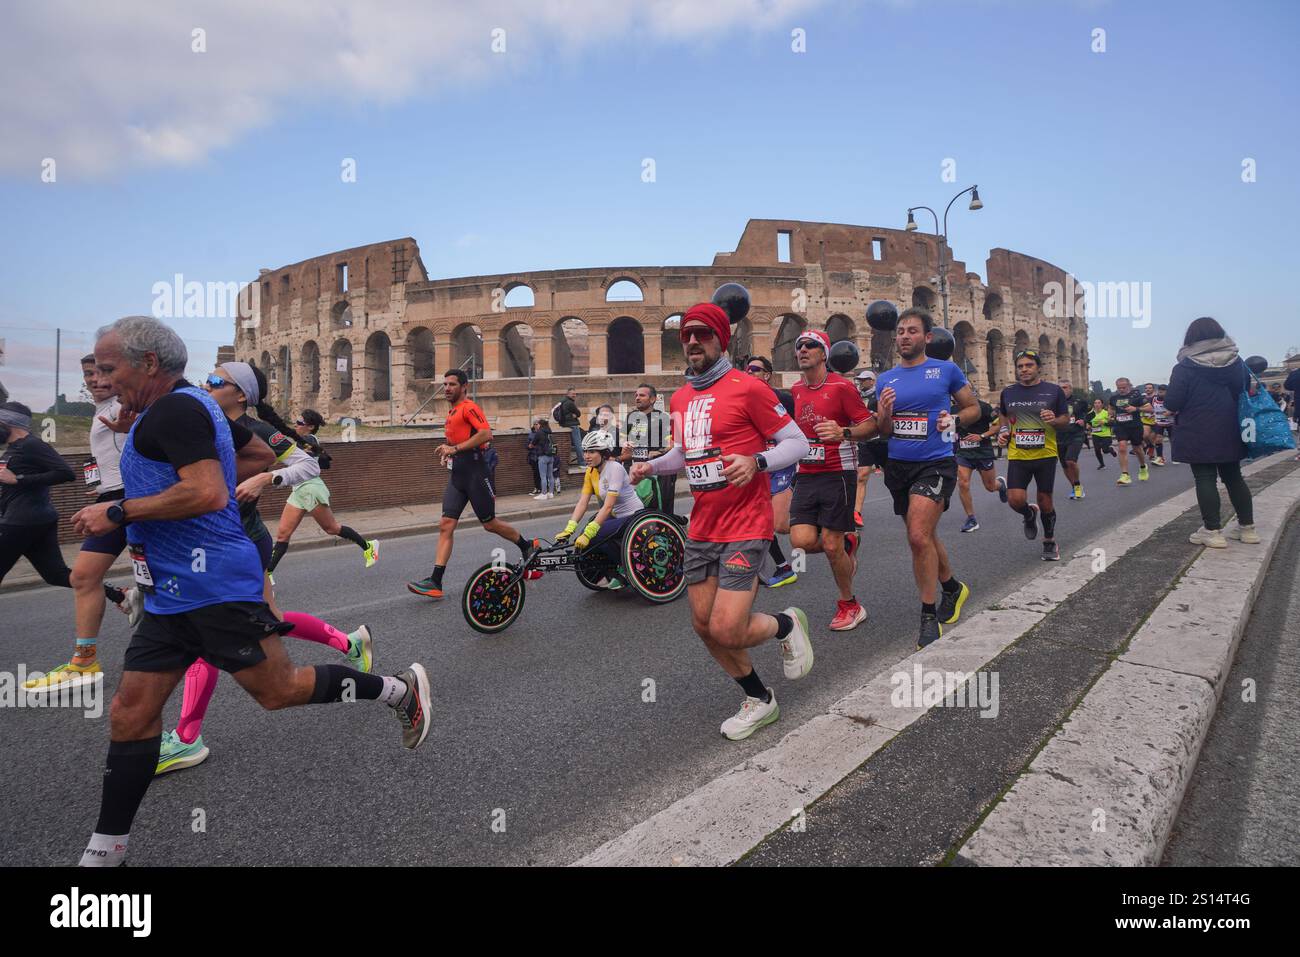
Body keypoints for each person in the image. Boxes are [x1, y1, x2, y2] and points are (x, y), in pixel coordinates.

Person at [75, 316, 429, 867]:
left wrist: (116, 510)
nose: (99, 376)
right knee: (130, 712)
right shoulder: (185, 406)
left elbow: (208, 492)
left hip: (213, 584)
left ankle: (398, 691)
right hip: (172, 591)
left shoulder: (176, 408)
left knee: (279, 689)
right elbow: (246, 461)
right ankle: (104, 853)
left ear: (148, 363)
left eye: (108, 366)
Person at [630, 302, 811, 741]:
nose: (693, 341)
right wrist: (653, 466)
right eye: (687, 335)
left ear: (720, 339)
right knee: (703, 626)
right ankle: (759, 699)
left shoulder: (748, 388)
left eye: (703, 334)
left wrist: (758, 460)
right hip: (702, 526)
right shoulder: (680, 396)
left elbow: (797, 442)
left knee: (728, 627)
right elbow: (684, 454)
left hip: (747, 523)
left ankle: (786, 625)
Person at [22, 357, 135, 693]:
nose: (97, 380)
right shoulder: (102, 409)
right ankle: (84, 661)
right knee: (83, 576)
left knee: (172, 580)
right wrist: (98, 484)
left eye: (106, 372)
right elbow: (105, 454)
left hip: (132, 498)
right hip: (109, 498)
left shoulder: (125, 406)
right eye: (90, 374)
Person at [875, 307, 980, 648]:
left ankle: (928, 613)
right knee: (925, 535)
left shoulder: (945, 370)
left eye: (912, 331)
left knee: (918, 537)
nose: (904, 336)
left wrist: (955, 420)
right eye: (901, 331)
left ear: (927, 337)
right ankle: (953, 588)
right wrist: (885, 414)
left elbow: (973, 408)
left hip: (936, 462)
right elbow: (885, 431)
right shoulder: (885, 380)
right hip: (898, 466)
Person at [408, 369, 539, 599]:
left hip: (476, 474)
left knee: (489, 523)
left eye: (452, 384)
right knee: (446, 524)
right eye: (445, 384)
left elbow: (486, 434)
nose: (447, 388)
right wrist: (448, 452)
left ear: (464, 387)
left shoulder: (469, 407)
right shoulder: (452, 412)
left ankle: (526, 545)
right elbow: (458, 440)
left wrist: (455, 449)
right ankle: (435, 581)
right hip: (458, 474)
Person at [788, 329, 872, 631]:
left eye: (811, 345)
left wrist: (843, 432)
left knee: (830, 543)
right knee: (801, 541)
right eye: (799, 345)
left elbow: (870, 425)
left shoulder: (842, 388)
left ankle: (850, 604)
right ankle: (850, 543)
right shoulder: (796, 390)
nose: (803, 349)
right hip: (807, 475)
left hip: (839, 473)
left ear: (824, 354)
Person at [1164, 317, 1257, 548]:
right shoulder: (1237, 363)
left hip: (1197, 429)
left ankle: (1212, 531)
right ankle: (1248, 529)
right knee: (1234, 477)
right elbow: (1243, 391)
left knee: (1205, 478)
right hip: (1230, 426)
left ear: (1190, 339)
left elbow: (1173, 401)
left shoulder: (1185, 367)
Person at [262, 404, 378, 575]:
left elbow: (295, 457)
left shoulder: (309, 441)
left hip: (310, 488)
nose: (296, 425)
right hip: (298, 491)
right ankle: (267, 574)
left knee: (331, 528)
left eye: (300, 422)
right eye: (296, 421)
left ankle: (369, 546)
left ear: (310, 427)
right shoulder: (304, 443)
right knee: (282, 534)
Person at [998, 350, 1069, 561]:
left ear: (1038, 367)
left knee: (1045, 499)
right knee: (1014, 500)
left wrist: (1054, 420)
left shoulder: (1054, 391)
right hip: (1018, 454)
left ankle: (1049, 540)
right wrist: (1003, 432)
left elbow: (1065, 419)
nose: (1024, 370)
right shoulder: (1008, 392)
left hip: (1045, 454)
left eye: (1028, 365)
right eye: (1020, 366)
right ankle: (1029, 514)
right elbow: (1003, 414)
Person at [556, 430, 644, 589]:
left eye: (592, 451)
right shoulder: (590, 472)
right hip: (615, 515)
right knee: (586, 534)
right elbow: (583, 502)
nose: (586, 455)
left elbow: (608, 505)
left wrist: (590, 532)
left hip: (633, 515)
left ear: (603, 453)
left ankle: (626, 569)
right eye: (584, 451)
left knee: (594, 534)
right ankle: (607, 569)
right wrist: (569, 528)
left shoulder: (615, 468)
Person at [0, 402, 74, 589]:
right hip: (36, 519)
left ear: (7, 422)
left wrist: (19, 479)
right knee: (56, 575)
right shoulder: (14, 449)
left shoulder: (31, 444)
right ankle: (120, 595)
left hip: (20, 520)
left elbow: (66, 472)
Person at [742, 356, 797, 589]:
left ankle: (828, 533)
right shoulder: (743, 401)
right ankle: (784, 566)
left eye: (755, 369)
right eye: (746, 370)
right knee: (762, 520)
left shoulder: (783, 398)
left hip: (783, 463)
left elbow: (798, 433)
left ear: (767, 374)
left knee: (780, 525)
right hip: (760, 465)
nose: (749, 372)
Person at [955, 386, 1008, 532]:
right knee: (963, 483)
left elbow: (998, 425)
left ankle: (1001, 485)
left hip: (983, 451)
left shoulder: (983, 407)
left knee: (990, 487)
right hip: (963, 453)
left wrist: (982, 436)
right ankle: (971, 519)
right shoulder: (953, 409)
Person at [621, 384, 675, 511]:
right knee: (637, 509)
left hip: (657, 471)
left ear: (652, 399)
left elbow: (672, 444)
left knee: (659, 509)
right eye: (636, 395)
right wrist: (624, 443)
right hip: (634, 470)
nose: (637, 398)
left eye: (642, 395)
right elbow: (622, 437)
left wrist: (658, 452)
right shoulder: (631, 417)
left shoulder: (663, 417)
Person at [854, 370, 888, 528]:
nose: (861, 382)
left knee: (894, 477)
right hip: (866, 441)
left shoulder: (881, 395)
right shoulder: (858, 397)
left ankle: (906, 502)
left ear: (872, 380)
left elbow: (889, 415)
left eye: (864, 380)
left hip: (882, 441)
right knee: (862, 475)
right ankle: (856, 513)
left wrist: (877, 415)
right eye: (860, 380)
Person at [1109, 376, 1150, 485]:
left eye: (1123, 387)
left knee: (1137, 449)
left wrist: (1136, 409)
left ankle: (1142, 466)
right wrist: (1111, 415)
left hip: (1135, 426)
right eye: (1119, 388)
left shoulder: (1136, 396)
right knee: (1122, 447)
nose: (1121, 390)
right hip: (1120, 426)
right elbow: (1111, 408)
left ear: (1128, 386)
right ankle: (1125, 475)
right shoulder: (1114, 398)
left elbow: (1150, 408)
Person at [1055, 380, 1090, 500]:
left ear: (1070, 389)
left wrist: (1084, 421)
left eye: (1065, 387)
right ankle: (1075, 487)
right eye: (1060, 388)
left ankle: (1077, 486)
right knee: (1064, 465)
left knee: (1070, 460)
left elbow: (1090, 414)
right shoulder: (1054, 403)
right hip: (1059, 436)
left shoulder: (1080, 401)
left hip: (1076, 434)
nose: (1062, 390)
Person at [556, 387, 583, 467]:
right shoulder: (570, 403)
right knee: (578, 444)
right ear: (568, 394)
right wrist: (574, 415)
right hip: (572, 425)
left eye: (575, 394)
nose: (574, 395)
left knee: (566, 444)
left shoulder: (562, 401)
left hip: (564, 425)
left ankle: (565, 463)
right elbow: (578, 413)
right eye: (573, 394)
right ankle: (582, 463)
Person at [531, 418, 558, 500]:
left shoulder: (539, 432)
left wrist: (531, 445)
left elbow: (533, 443)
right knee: (550, 476)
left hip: (543, 457)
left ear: (540, 424)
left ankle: (543, 494)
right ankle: (551, 493)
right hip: (551, 456)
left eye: (538, 424)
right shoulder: (549, 431)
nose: (537, 425)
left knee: (543, 476)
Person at [1086, 398, 1115, 469]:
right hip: (1095, 434)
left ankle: (1111, 449)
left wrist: (1104, 422)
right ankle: (1102, 464)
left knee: (1105, 450)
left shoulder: (1106, 413)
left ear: (1102, 404)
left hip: (1106, 434)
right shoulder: (1090, 414)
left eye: (1099, 403)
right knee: (1097, 449)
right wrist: (1088, 427)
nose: (1097, 404)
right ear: (1094, 404)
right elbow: (1088, 424)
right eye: (1095, 403)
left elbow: (1112, 423)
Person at [1151, 384, 1174, 466]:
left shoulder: (1171, 399)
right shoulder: (1154, 399)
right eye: (1159, 391)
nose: (1161, 393)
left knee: (1173, 440)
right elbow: (1150, 408)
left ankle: (1176, 456)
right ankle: (1160, 458)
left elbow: (1179, 409)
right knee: (1158, 439)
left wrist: (1171, 412)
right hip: (1159, 422)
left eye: (1163, 391)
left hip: (1170, 422)